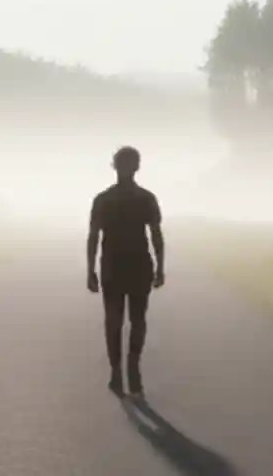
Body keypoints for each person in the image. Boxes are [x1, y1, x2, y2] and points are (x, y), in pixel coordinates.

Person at [87, 145, 165, 396]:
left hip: (113, 266)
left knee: (115, 321)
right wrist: (160, 266)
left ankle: (118, 369)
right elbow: (155, 235)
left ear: (115, 166)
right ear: (137, 166)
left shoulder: (103, 199)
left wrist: (91, 270)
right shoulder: (145, 198)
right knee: (136, 320)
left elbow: (93, 237)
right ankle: (131, 366)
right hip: (137, 265)